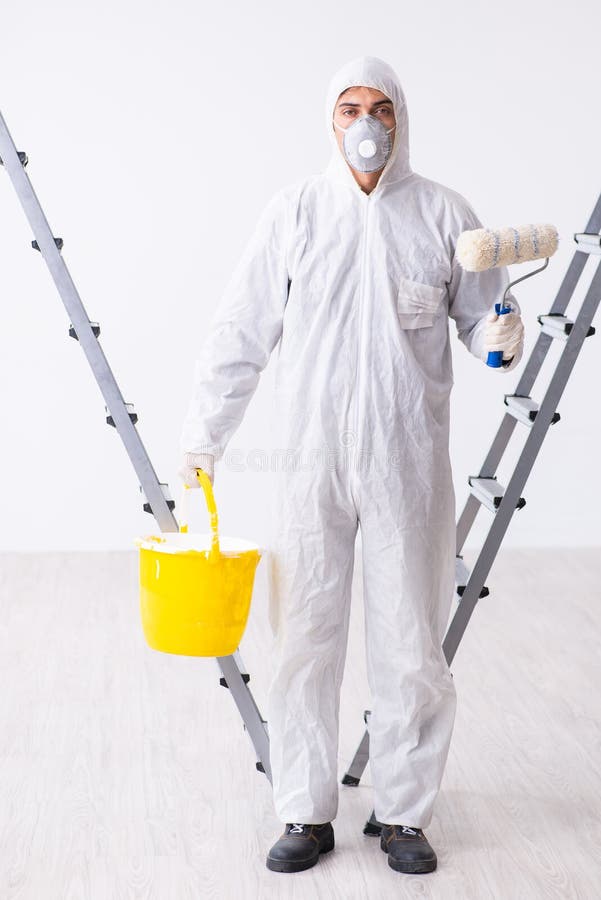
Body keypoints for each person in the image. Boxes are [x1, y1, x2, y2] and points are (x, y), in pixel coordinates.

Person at [178, 55, 524, 876]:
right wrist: (203, 437)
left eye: (380, 108)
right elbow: (241, 330)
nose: (365, 124)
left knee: (411, 641)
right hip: (311, 462)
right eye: (348, 109)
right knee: (305, 636)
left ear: (401, 118)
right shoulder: (295, 212)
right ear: (329, 121)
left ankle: (403, 814)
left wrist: (502, 340)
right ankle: (304, 808)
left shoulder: (443, 214)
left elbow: (484, 328)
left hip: (408, 461)